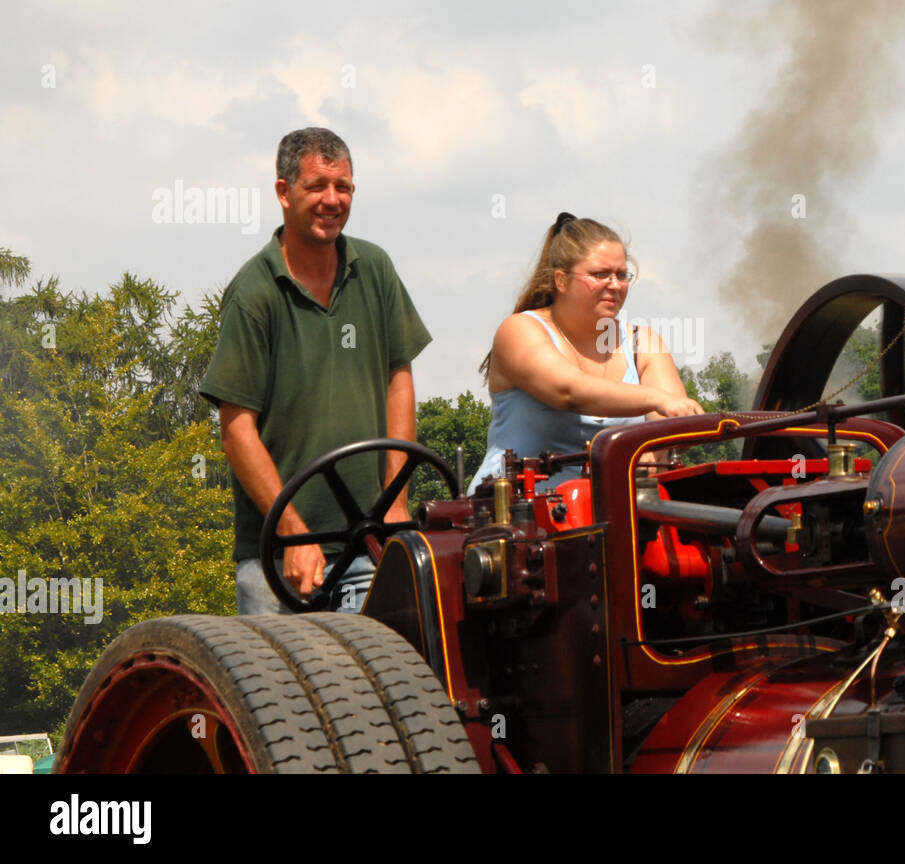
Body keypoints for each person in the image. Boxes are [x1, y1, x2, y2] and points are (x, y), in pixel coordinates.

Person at [200, 128, 431, 614]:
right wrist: (293, 533)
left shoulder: (374, 268)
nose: (332, 200)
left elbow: (398, 381)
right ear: (284, 193)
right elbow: (237, 431)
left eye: (343, 187)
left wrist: (397, 503)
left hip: (370, 540)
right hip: (279, 553)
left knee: (387, 683)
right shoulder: (254, 293)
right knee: (276, 690)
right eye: (317, 186)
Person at [468, 212, 702, 494]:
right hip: (516, 514)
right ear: (561, 280)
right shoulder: (519, 330)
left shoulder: (643, 342)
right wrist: (657, 400)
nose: (614, 285)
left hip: (615, 509)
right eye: (600, 274)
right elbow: (568, 390)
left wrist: (665, 444)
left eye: (622, 275)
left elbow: (674, 425)